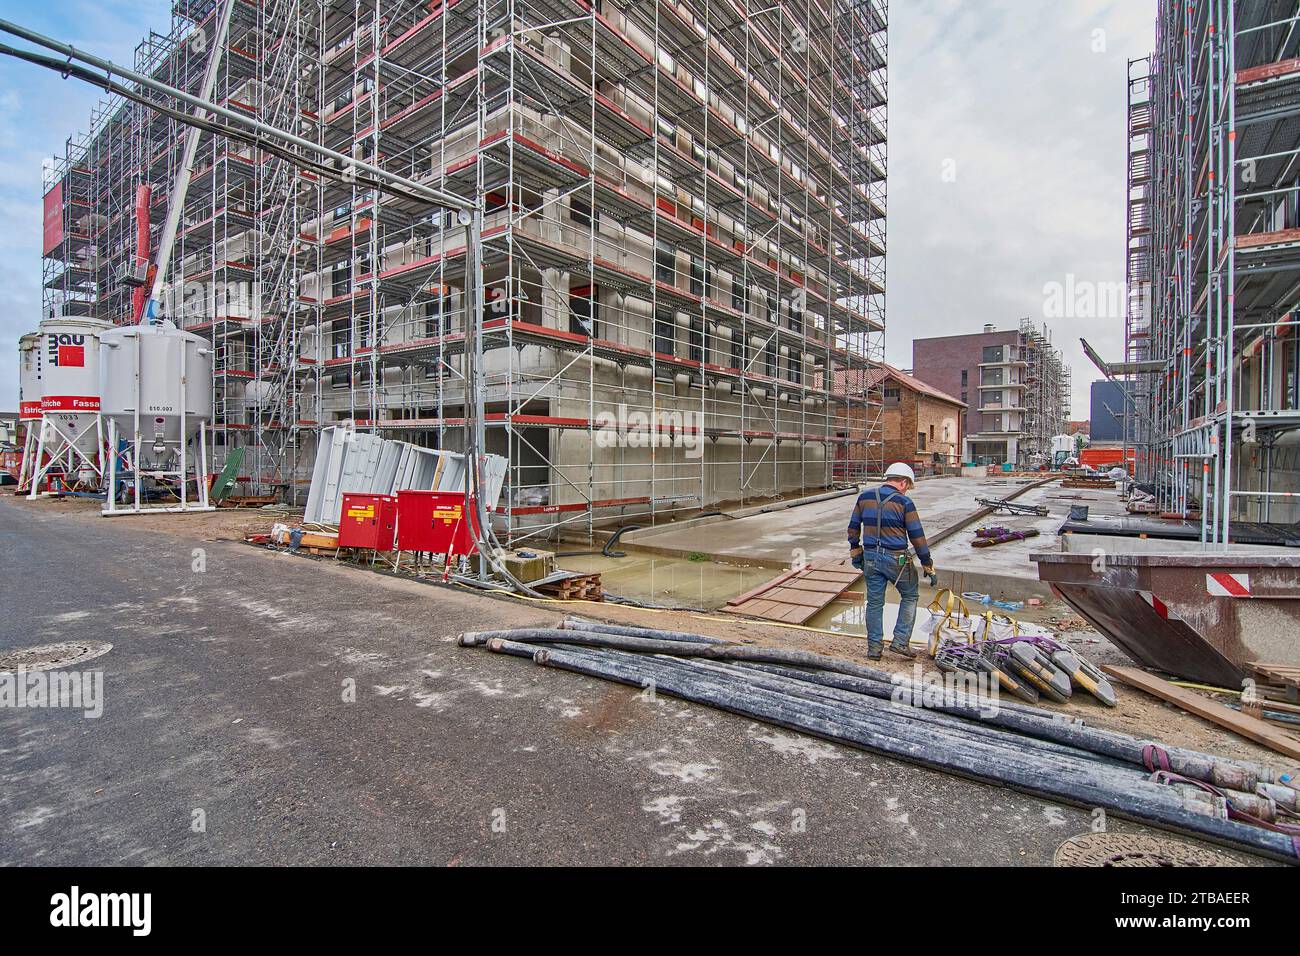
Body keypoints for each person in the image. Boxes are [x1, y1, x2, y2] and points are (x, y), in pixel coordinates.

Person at [847, 462, 936, 660]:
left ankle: (874, 649)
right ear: (903, 483)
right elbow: (917, 536)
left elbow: (853, 527)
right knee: (910, 595)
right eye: (908, 486)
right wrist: (927, 563)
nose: (907, 491)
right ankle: (900, 642)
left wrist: (856, 551)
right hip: (897, 558)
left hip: (870, 557)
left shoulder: (865, 497)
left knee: (875, 602)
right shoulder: (905, 503)